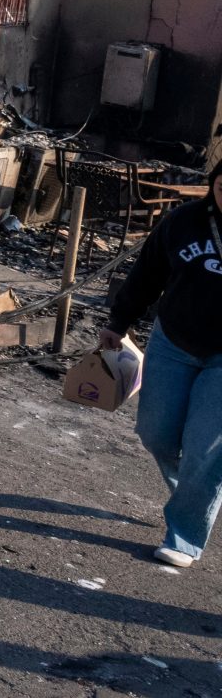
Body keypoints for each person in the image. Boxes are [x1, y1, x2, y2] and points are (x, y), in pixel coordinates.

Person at [99, 149, 222, 570]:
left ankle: (184, 537)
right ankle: (195, 490)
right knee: (156, 433)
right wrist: (119, 321)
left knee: (205, 451)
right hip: (173, 342)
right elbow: (147, 272)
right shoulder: (185, 222)